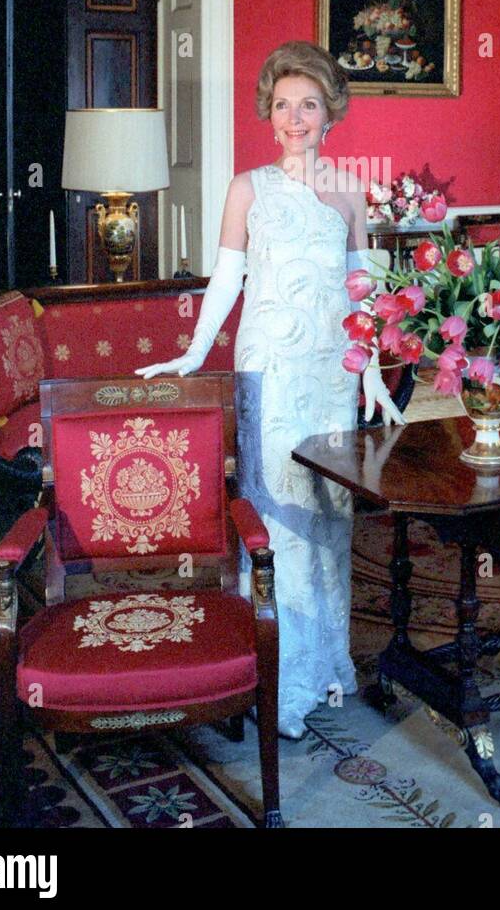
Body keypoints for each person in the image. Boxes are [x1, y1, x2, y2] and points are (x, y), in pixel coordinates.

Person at [136, 41, 404, 738]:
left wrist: (371, 369)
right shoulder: (247, 188)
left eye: (308, 104)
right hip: (271, 374)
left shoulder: (348, 189)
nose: (294, 117)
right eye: (283, 105)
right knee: (276, 517)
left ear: (329, 114)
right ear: (269, 112)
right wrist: (194, 353)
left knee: (329, 515)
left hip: (331, 375)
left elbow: (361, 290)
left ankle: (326, 666)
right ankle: (277, 676)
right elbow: (226, 280)